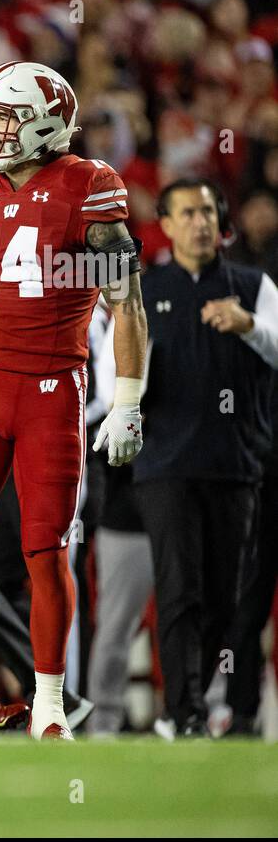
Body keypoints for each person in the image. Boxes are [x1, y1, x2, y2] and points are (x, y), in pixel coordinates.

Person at [0, 62, 148, 740]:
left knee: (46, 550)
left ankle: (49, 702)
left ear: (44, 123)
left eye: (3, 117)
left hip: (50, 391)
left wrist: (128, 399)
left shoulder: (86, 185)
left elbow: (126, 302)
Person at [134, 178, 278, 736]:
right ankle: (185, 712)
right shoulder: (143, 290)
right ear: (166, 225)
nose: (200, 222)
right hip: (165, 464)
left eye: (208, 212)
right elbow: (113, 368)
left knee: (226, 597)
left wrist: (250, 326)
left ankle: (191, 702)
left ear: (221, 222)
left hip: (237, 464)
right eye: (188, 213)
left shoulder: (253, 285)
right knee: (178, 591)